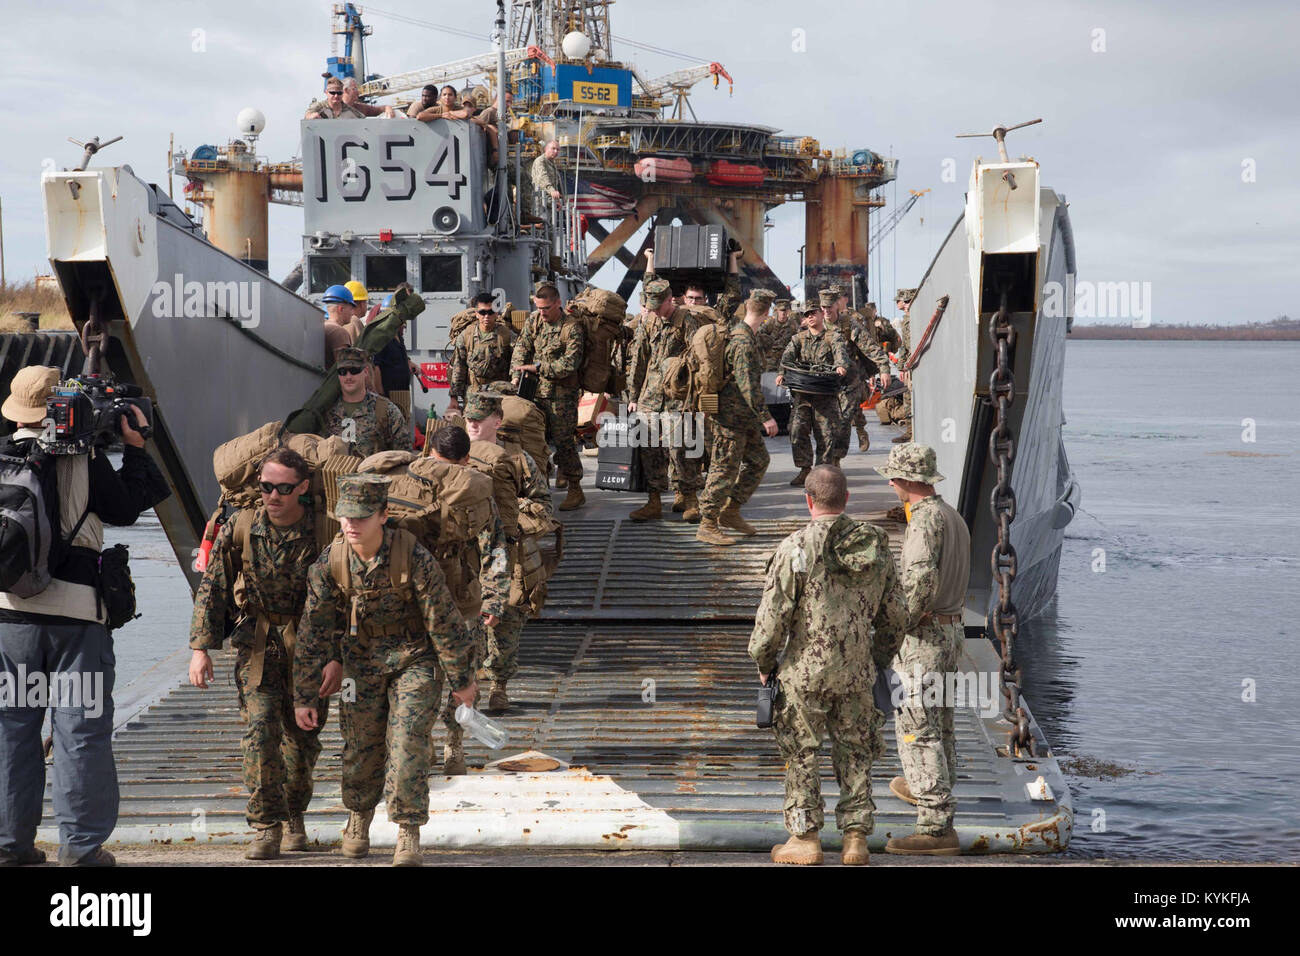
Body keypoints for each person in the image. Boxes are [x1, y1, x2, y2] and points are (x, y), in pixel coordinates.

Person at [0, 366, 169, 867]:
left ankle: (11, 846)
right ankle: (80, 848)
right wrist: (135, 448)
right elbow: (125, 509)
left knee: (12, 729)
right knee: (80, 732)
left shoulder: (5, 455)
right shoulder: (83, 459)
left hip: (10, 619)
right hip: (76, 620)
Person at [294, 474, 476, 867]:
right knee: (360, 744)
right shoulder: (331, 561)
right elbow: (314, 630)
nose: (351, 525)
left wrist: (462, 681)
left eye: (360, 517)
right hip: (360, 662)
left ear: (383, 515)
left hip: (414, 656)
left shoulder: (413, 556)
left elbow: (442, 620)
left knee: (408, 741)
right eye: (345, 517)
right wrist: (304, 696)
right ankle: (359, 816)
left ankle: (407, 830)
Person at [749, 465, 908, 865]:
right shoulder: (876, 546)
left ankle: (805, 839)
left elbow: (772, 622)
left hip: (804, 674)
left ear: (809, 500)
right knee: (856, 752)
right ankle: (855, 840)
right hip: (856, 671)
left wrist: (765, 664)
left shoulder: (795, 549)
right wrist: (878, 659)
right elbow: (895, 615)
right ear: (847, 499)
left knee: (802, 752)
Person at [188, 448, 326, 860]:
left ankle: (294, 813)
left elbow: (341, 598)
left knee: (302, 743)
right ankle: (267, 825)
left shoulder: (325, 532)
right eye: (266, 487)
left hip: (310, 646)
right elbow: (212, 587)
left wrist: (339, 656)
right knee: (260, 731)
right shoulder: (242, 526)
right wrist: (201, 648)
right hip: (258, 642)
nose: (274, 496)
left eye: (284, 488)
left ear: (301, 488)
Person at [877, 443, 969, 856]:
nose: (891, 484)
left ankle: (934, 826)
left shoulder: (924, 522)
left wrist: (888, 633)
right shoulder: (953, 516)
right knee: (941, 723)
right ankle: (930, 791)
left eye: (893, 478)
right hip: (951, 633)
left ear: (906, 480)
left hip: (923, 640)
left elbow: (917, 587)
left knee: (917, 731)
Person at [422, 425, 509, 775]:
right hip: (439, 599)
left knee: (451, 676)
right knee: (437, 677)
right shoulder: (418, 487)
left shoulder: (473, 494)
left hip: (449, 600)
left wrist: (495, 598)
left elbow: (495, 549)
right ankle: (433, 742)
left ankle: (448, 743)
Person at [462, 391, 553, 712]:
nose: (472, 425)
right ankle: (467, 686)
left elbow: (544, 506)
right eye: (468, 419)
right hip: (466, 555)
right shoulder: (453, 455)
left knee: (508, 620)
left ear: (497, 422)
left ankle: (499, 684)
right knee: (465, 622)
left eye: (479, 419)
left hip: (509, 554)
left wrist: (509, 509)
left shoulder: (518, 460)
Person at [696, 289, 777, 546]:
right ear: (767, 313)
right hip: (730, 420)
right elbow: (747, 386)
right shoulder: (742, 342)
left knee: (759, 461)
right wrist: (766, 417)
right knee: (723, 471)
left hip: (743, 419)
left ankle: (730, 511)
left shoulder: (744, 335)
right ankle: (708, 523)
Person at [625, 278, 703, 522]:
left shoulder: (687, 322)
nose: (656, 311)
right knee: (650, 451)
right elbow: (638, 360)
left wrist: (694, 396)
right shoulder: (649, 321)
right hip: (650, 397)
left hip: (677, 397)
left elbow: (699, 361)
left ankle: (690, 499)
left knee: (681, 448)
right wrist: (633, 396)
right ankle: (654, 501)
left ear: (671, 300)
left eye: (659, 306)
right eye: (652, 307)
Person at [510, 280, 586, 510]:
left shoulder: (571, 327)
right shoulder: (534, 321)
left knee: (564, 443)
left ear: (558, 303)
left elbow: (570, 363)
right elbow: (522, 347)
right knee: (535, 441)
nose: (542, 313)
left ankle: (575, 489)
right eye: (539, 308)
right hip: (535, 394)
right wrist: (516, 372)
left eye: (546, 308)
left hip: (562, 396)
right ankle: (539, 489)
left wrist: (537, 368)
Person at [777, 296, 849, 486]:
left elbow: (841, 355)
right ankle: (805, 469)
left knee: (826, 434)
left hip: (825, 396)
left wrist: (840, 366)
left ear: (820, 314)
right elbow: (787, 358)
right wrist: (781, 373)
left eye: (813, 313)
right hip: (803, 395)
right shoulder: (798, 339)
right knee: (796, 430)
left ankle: (822, 473)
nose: (810, 317)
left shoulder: (833, 336)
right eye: (806, 315)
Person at [324, 346, 409, 458]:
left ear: (365, 372)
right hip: (336, 474)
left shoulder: (385, 410)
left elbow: (404, 454)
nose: (348, 377)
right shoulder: (328, 411)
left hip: (373, 475)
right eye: (342, 371)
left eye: (354, 371)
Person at [449, 293, 515, 413]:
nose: (486, 316)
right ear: (476, 314)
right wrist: (454, 398)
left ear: (496, 313)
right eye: (482, 312)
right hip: (473, 395)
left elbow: (516, 363)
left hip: (499, 394)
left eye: (490, 312)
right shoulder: (466, 336)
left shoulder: (507, 336)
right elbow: (459, 368)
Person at [891, 288, 917, 442]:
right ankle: (910, 431)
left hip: (916, 364)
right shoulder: (907, 319)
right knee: (908, 398)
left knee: (914, 399)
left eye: (908, 301)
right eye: (904, 301)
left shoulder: (917, 318)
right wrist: (901, 366)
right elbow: (905, 346)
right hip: (909, 364)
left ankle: (914, 431)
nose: (905, 304)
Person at [321, 285, 355, 367]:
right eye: (351, 309)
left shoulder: (323, 326)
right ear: (341, 309)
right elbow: (345, 368)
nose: (352, 313)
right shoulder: (339, 332)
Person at [530, 140, 564, 218]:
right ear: (546, 149)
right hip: (540, 201)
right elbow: (543, 177)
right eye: (553, 148)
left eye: (558, 150)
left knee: (549, 227)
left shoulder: (552, 163)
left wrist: (557, 200)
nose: (556, 151)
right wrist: (552, 191)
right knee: (541, 226)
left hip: (548, 201)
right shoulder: (540, 161)